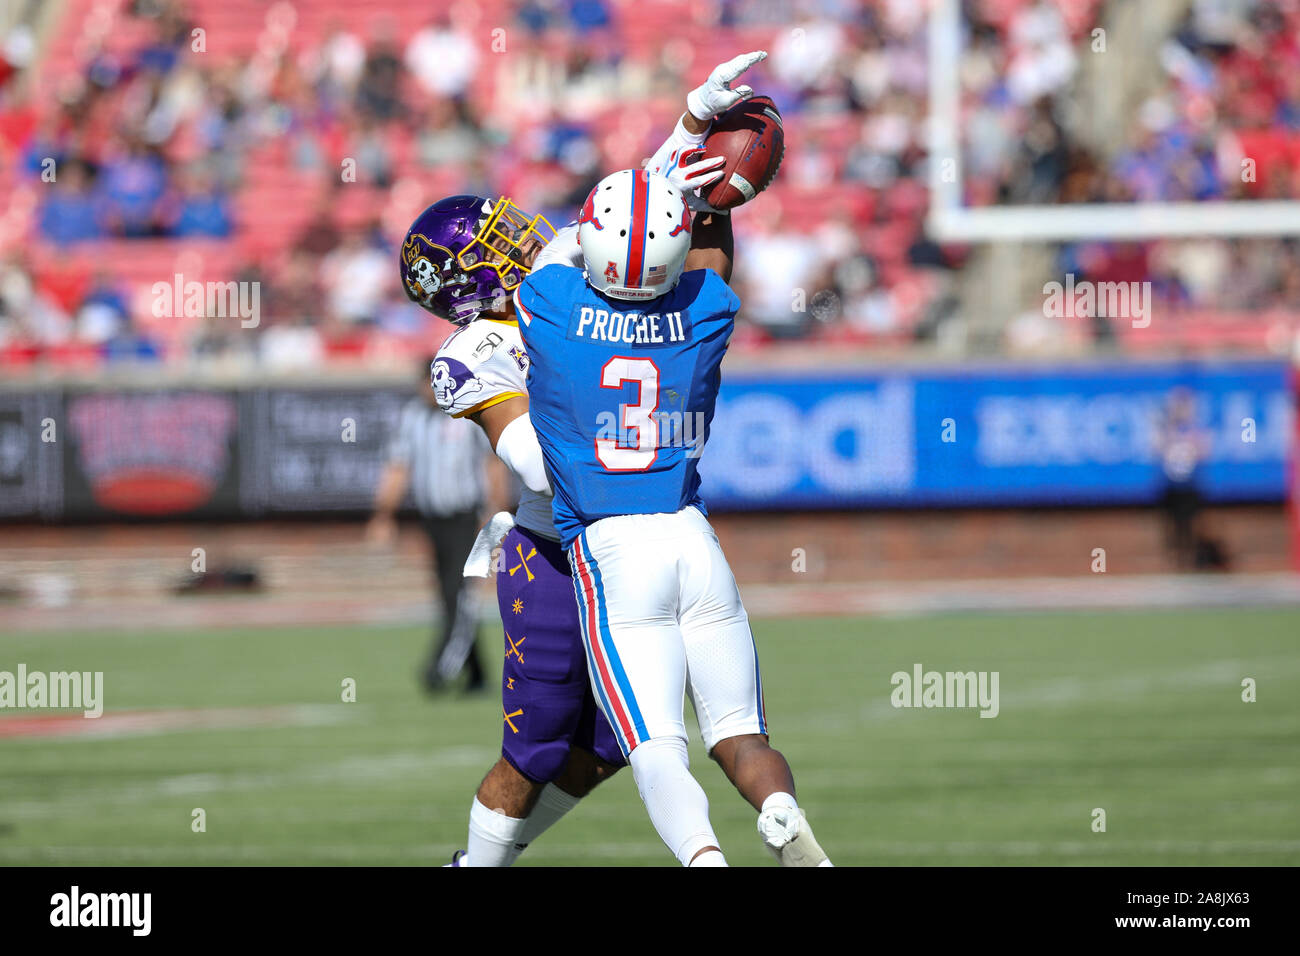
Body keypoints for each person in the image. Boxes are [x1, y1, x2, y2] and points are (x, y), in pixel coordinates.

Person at [395, 51, 767, 866]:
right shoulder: (475, 352)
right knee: (531, 753)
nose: (522, 233)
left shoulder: (567, 280)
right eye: (495, 239)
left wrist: (697, 120)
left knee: (607, 751)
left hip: (624, 544)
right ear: (468, 280)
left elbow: (647, 195)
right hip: (553, 552)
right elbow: (532, 463)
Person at [514, 161, 831, 867]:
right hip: (693, 538)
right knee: (741, 737)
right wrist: (718, 195)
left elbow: (563, 248)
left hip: (613, 551)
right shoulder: (705, 312)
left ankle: (704, 860)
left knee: (656, 744)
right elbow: (710, 255)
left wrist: (677, 158)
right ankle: (780, 812)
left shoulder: (550, 305)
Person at [367, 358, 505, 692]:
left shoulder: (467, 415)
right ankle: (477, 675)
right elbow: (398, 467)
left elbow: (492, 465)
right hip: (433, 519)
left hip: (466, 517)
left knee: (461, 595)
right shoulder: (412, 418)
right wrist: (383, 515)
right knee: (447, 596)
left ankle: (439, 670)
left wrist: (494, 516)